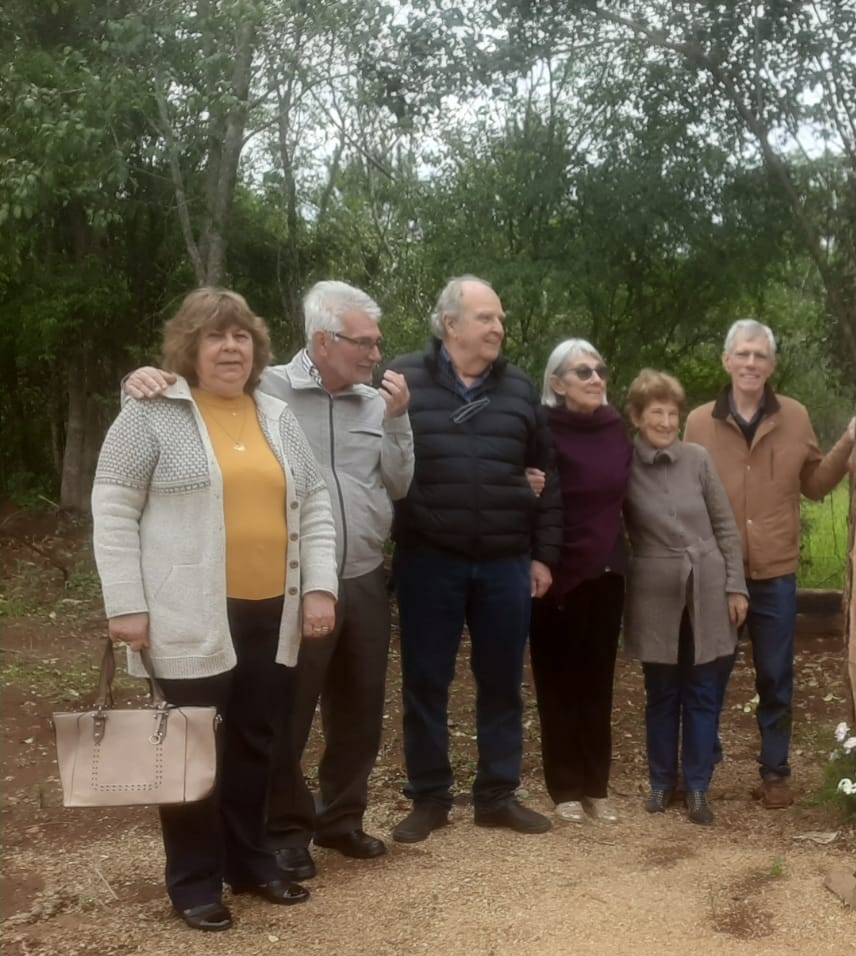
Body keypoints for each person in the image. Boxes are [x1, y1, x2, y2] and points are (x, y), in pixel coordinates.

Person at [122, 281, 415, 878]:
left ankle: (333, 823)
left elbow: (382, 487)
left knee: (340, 713)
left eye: (239, 338)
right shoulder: (265, 389)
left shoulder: (355, 403)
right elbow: (131, 474)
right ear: (324, 340)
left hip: (345, 577)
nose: (375, 355)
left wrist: (400, 422)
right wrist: (136, 379)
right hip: (244, 594)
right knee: (262, 722)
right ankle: (275, 836)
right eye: (364, 342)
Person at [92, 287, 338, 931]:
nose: (231, 348)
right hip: (184, 613)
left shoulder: (278, 415)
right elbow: (113, 509)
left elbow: (314, 506)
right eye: (215, 336)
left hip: (270, 612)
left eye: (241, 336)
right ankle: (195, 881)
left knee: (256, 740)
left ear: (256, 348)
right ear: (188, 348)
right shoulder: (152, 413)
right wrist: (126, 604)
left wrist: (319, 587)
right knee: (187, 749)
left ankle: (251, 860)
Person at [387, 275, 564, 842]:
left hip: (505, 562)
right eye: (486, 318)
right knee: (425, 681)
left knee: (502, 681)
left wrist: (544, 556)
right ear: (450, 325)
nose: (498, 328)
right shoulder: (401, 379)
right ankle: (430, 797)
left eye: (501, 319)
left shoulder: (518, 389)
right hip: (427, 560)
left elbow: (547, 476)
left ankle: (496, 795)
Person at [683, 319, 854, 809]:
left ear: (772, 365)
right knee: (708, 673)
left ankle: (775, 772)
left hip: (776, 572)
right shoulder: (698, 423)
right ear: (727, 361)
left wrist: (847, 442)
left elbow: (817, 485)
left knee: (776, 676)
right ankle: (700, 770)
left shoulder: (796, 417)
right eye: (743, 354)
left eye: (760, 356)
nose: (751, 363)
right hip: (716, 572)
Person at [624, 370, 748, 826]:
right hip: (655, 594)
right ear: (637, 417)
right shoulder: (625, 463)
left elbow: (725, 527)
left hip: (708, 587)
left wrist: (736, 585)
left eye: (672, 412)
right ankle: (661, 782)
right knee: (661, 693)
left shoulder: (697, 459)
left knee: (701, 692)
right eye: (655, 411)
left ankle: (697, 786)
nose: (665, 420)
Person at [529, 339, 631, 824]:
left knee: (598, 682)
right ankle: (564, 786)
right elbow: (531, 493)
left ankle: (597, 784)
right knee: (557, 682)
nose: (595, 379)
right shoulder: (542, 430)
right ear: (557, 383)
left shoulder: (616, 429)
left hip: (608, 571)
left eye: (600, 370)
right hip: (554, 572)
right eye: (582, 371)